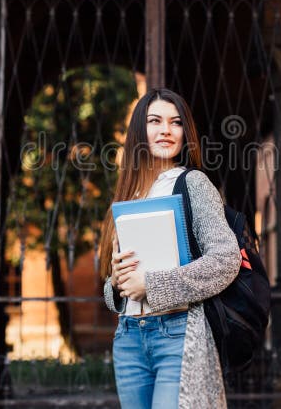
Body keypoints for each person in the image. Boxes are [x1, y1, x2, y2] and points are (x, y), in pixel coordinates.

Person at [100, 88, 241, 409]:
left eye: (175, 123)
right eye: (155, 121)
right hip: (129, 337)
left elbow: (226, 259)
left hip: (177, 334)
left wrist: (151, 284)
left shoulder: (192, 183)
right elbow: (116, 283)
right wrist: (118, 286)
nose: (165, 130)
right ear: (139, 130)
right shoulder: (129, 193)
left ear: (184, 133)